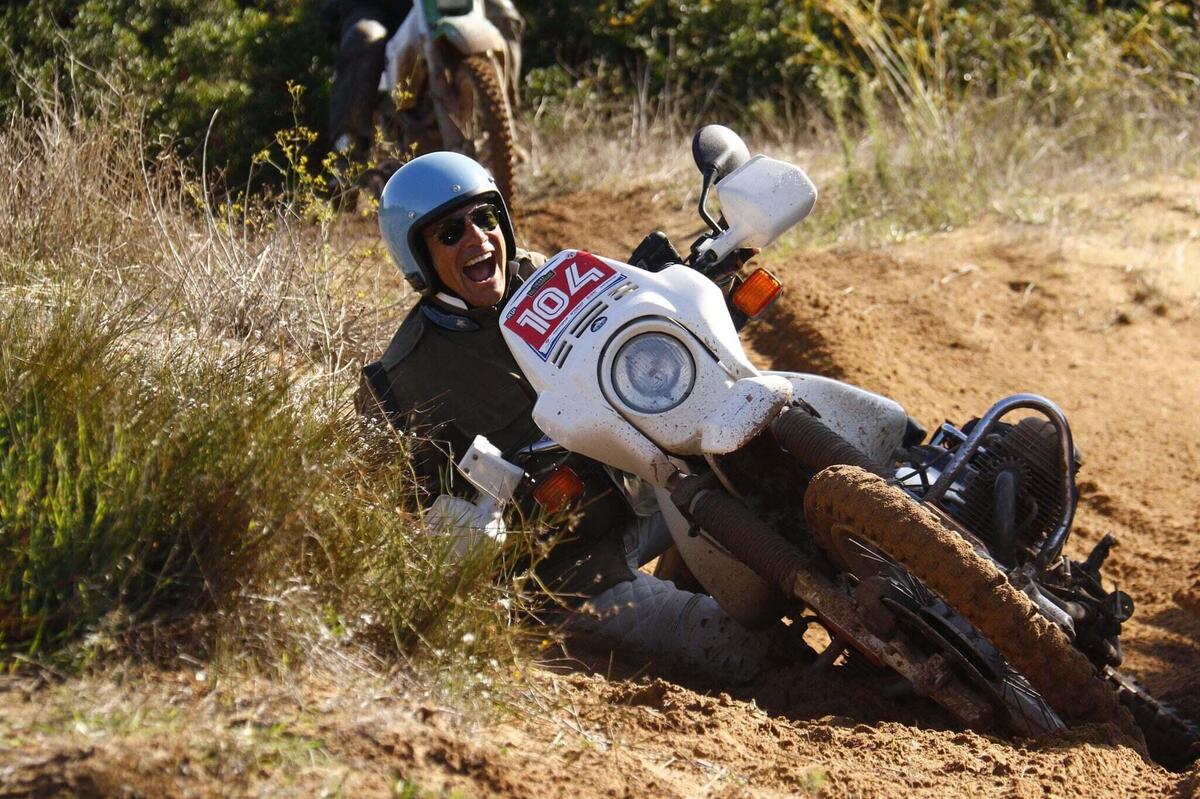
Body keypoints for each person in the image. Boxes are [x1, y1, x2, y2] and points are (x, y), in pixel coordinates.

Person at [359, 152, 794, 682]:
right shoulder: (401, 379)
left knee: (779, 458)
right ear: (419, 258)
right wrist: (465, 520)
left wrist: (700, 274)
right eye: (451, 232)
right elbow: (404, 518)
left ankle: (916, 468)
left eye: (486, 218)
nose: (478, 239)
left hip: (653, 483)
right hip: (575, 562)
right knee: (749, 650)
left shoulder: (550, 276)